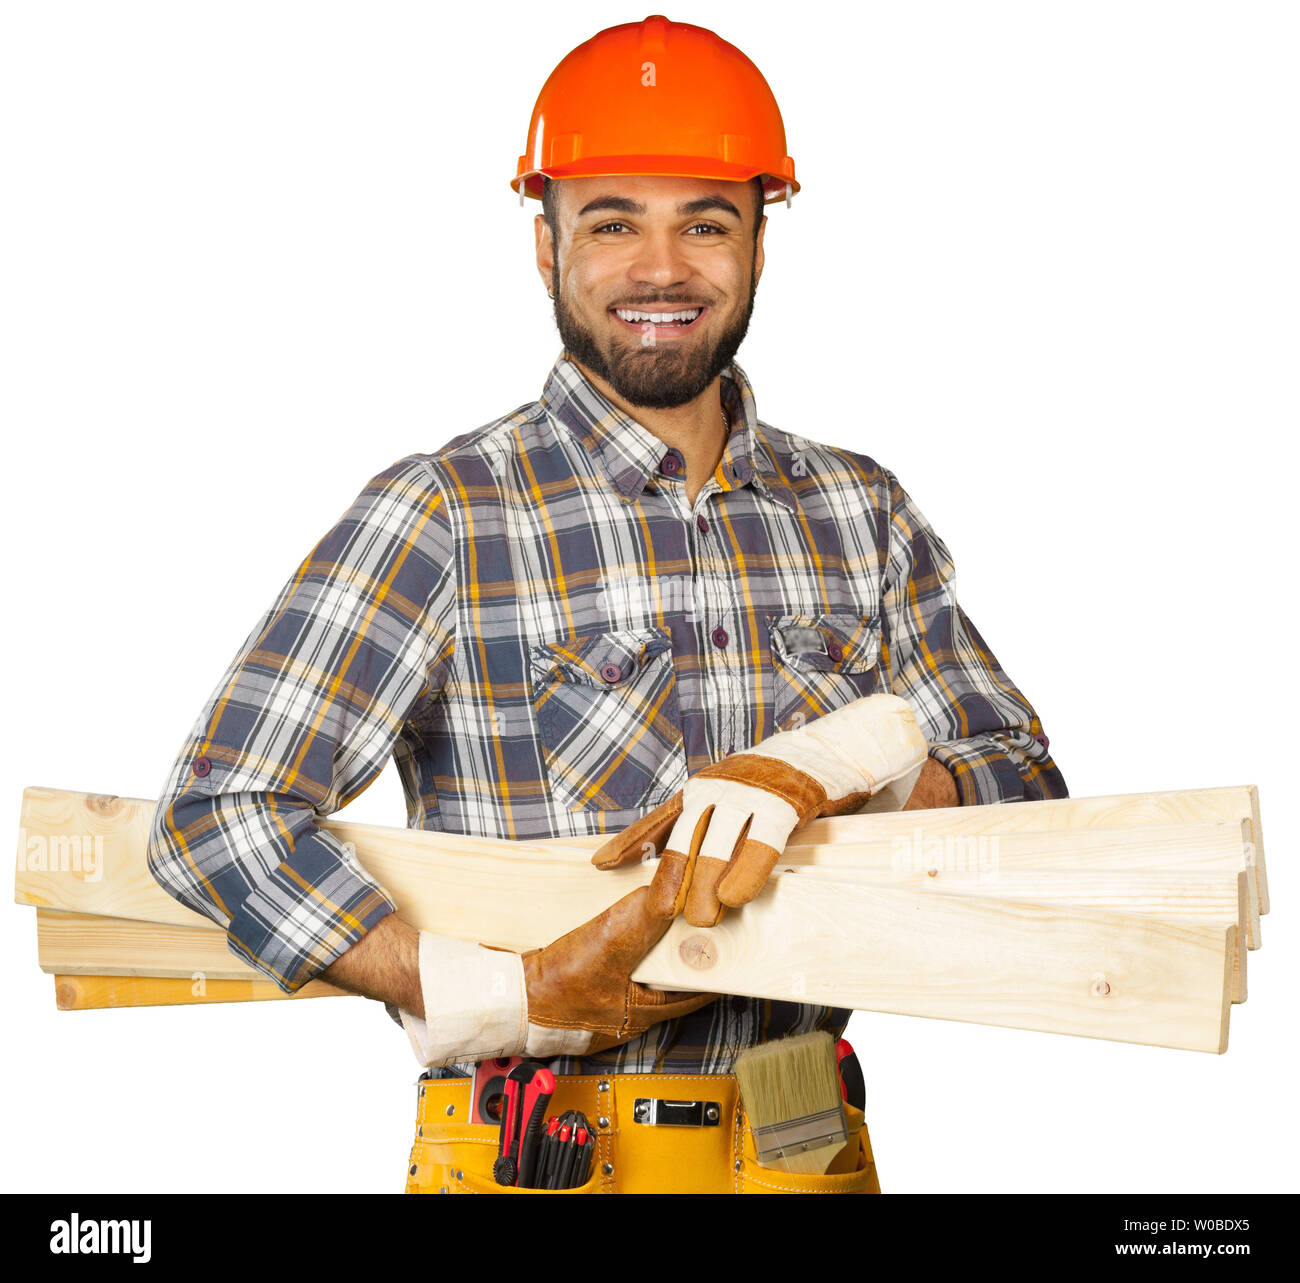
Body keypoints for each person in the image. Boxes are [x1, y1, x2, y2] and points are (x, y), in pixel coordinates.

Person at [147, 15, 1066, 1195]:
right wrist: (488, 993)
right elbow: (217, 810)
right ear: (545, 245)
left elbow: (1023, 782)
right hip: (543, 1154)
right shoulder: (446, 511)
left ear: (761, 241)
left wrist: (850, 765)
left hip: (803, 1144)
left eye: (706, 221)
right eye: (611, 221)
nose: (661, 269)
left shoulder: (857, 507)